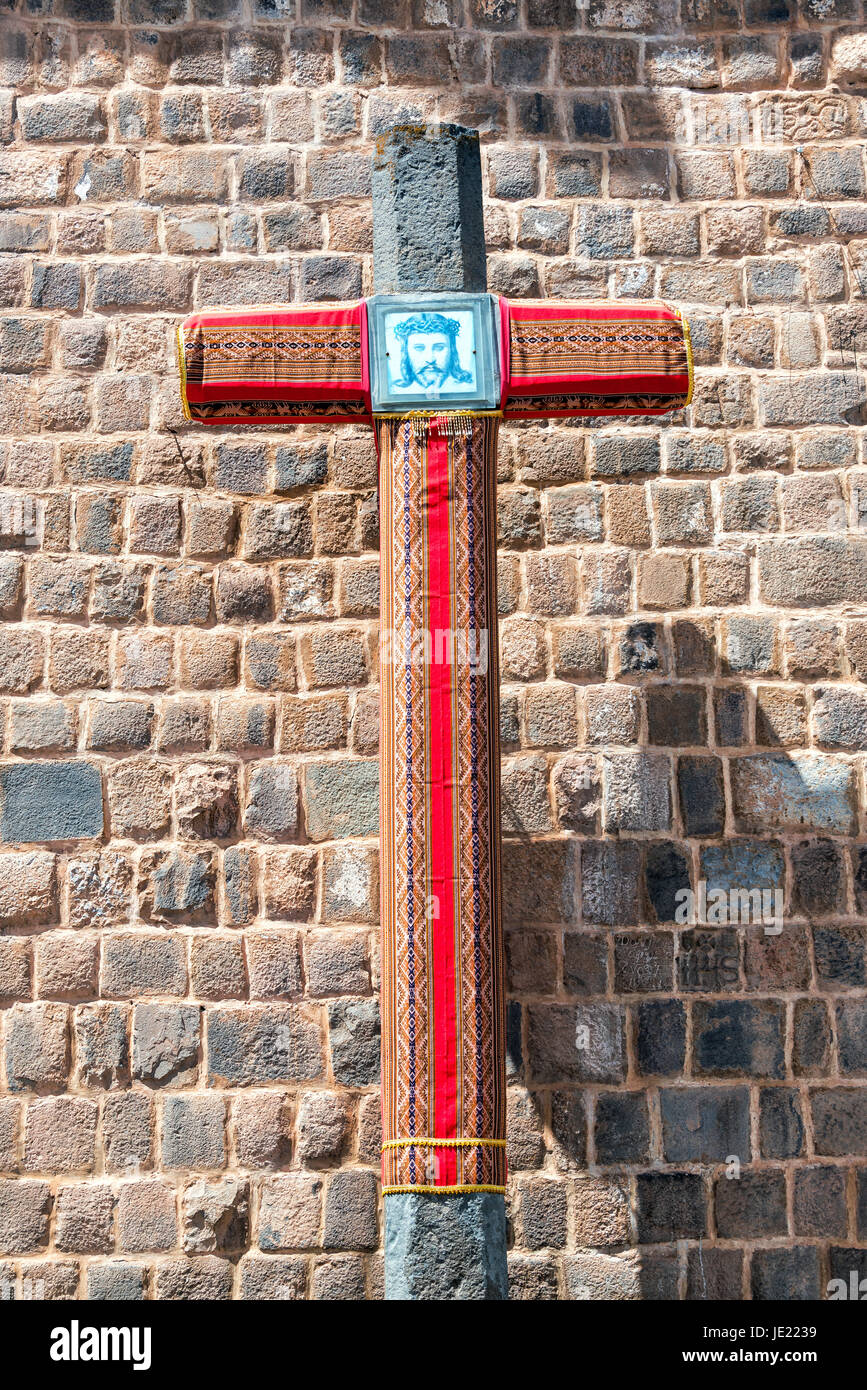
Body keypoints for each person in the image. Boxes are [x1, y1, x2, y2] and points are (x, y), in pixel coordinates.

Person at [390, 312, 474, 394]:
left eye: (439, 348)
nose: (430, 359)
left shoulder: (469, 389)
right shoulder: (395, 391)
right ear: (406, 352)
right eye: (419, 348)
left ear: (452, 350)